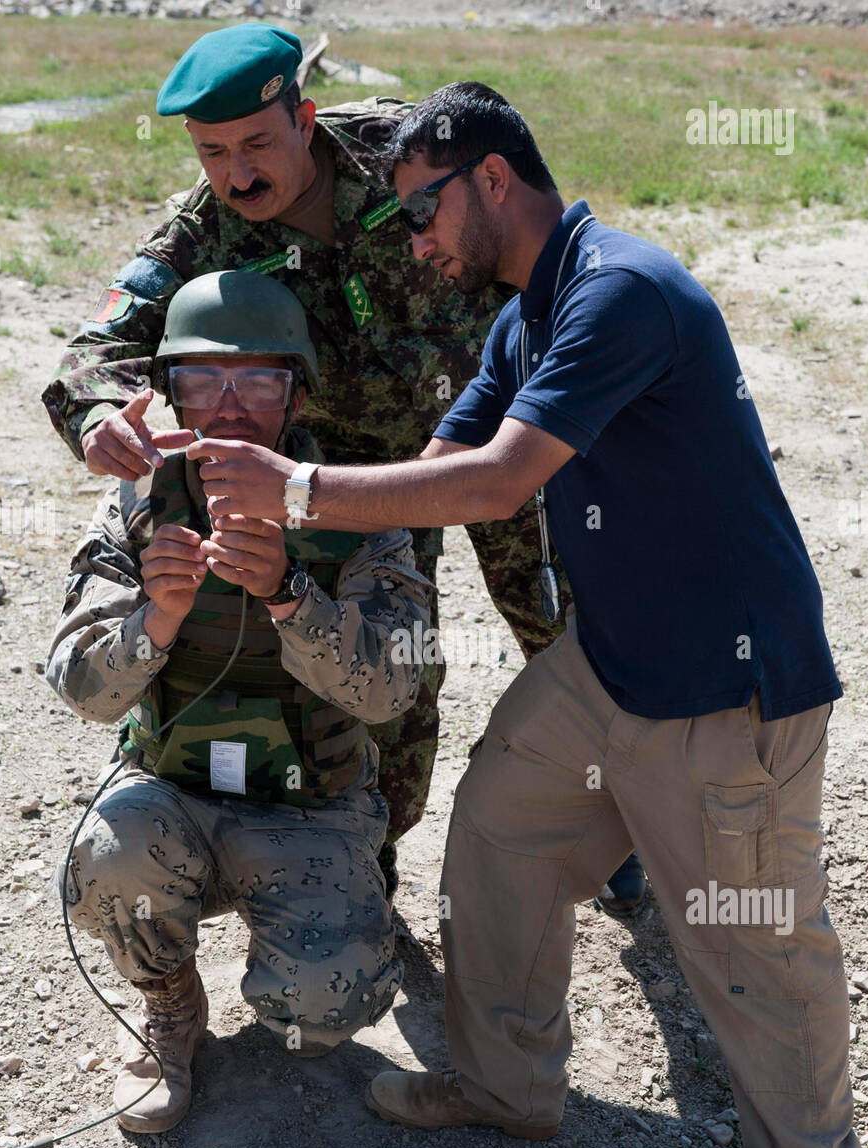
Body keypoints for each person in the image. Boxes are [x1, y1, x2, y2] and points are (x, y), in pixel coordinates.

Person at [187, 82, 868, 1148]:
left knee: (753, 955)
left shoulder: (618, 289)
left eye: (417, 214)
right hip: (608, 663)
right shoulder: (530, 311)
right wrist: (232, 485)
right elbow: (442, 463)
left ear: (491, 181)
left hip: (727, 691)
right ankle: (506, 1087)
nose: (411, 242)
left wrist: (287, 487)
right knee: (498, 836)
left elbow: (500, 484)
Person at [40, 23, 577, 899]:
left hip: (494, 436)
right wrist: (100, 416)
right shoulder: (199, 235)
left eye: (256, 144)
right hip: (353, 486)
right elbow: (94, 350)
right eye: (212, 152)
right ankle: (373, 873)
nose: (236, 173)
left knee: (557, 626)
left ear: (306, 118)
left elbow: (523, 229)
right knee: (403, 675)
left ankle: (613, 811)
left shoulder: (406, 157)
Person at [45, 271, 432, 1134]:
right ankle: (171, 1004)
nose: (230, 405)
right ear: (170, 390)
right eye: (201, 382)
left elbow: (391, 690)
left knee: (318, 1013)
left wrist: (295, 596)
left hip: (311, 806)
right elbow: (82, 689)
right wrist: (158, 618)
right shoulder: (142, 501)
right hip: (173, 791)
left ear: (297, 392)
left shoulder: (354, 504)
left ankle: (295, 959)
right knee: (108, 857)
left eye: (259, 380)